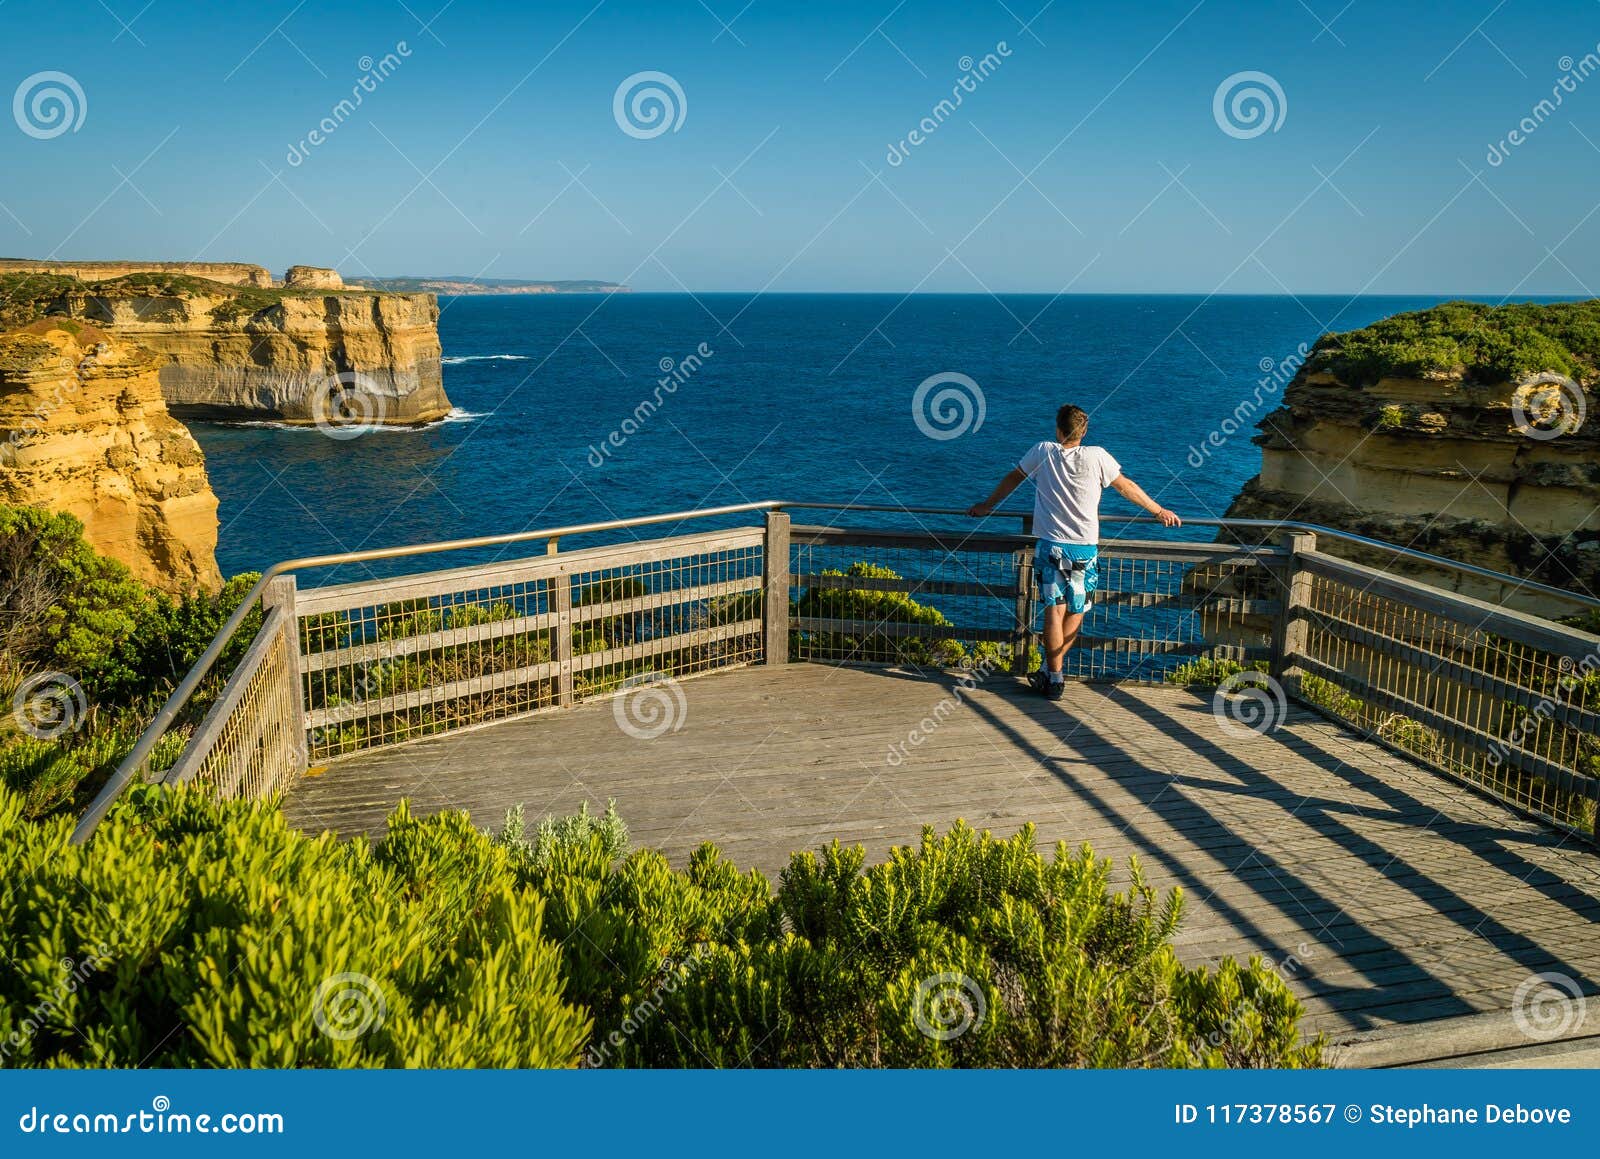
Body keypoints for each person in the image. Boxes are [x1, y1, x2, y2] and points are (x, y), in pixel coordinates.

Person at [968, 404, 1180, 700]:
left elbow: (1013, 478)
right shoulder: (1098, 456)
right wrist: (1159, 511)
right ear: (1085, 431)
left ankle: (1052, 676)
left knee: (1053, 609)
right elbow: (1126, 486)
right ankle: (1052, 671)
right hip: (1083, 548)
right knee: (1077, 609)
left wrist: (988, 505)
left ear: (1058, 430)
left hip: (1051, 545)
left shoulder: (1043, 451)